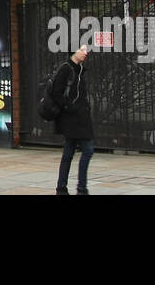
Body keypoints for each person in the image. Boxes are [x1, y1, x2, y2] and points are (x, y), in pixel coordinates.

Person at [50, 43, 94, 195]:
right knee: (87, 150)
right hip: (72, 118)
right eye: (81, 50)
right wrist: (69, 107)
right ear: (73, 52)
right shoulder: (66, 69)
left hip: (81, 118)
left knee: (69, 152)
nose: (85, 53)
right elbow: (56, 92)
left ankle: (62, 188)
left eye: (86, 50)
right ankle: (81, 188)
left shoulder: (79, 70)